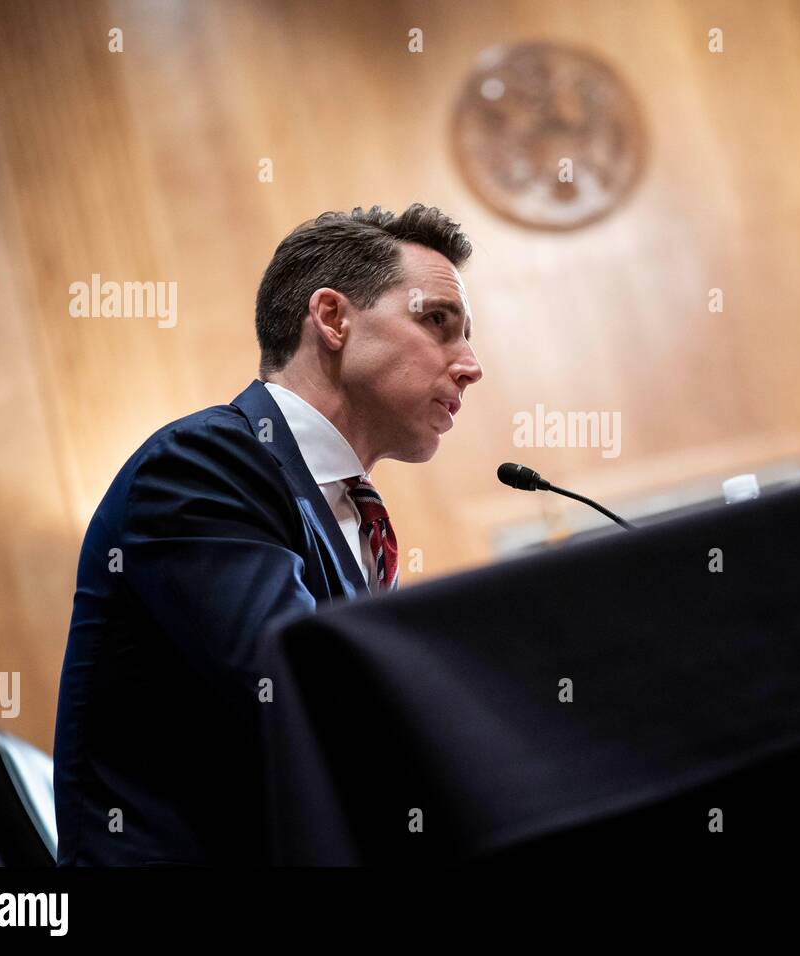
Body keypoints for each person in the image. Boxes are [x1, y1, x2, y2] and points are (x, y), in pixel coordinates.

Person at [52, 204, 483, 865]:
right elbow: (301, 698)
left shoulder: (341, 506)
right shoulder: (203, 464)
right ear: (334, 319)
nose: (470, 365)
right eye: (437, 323)